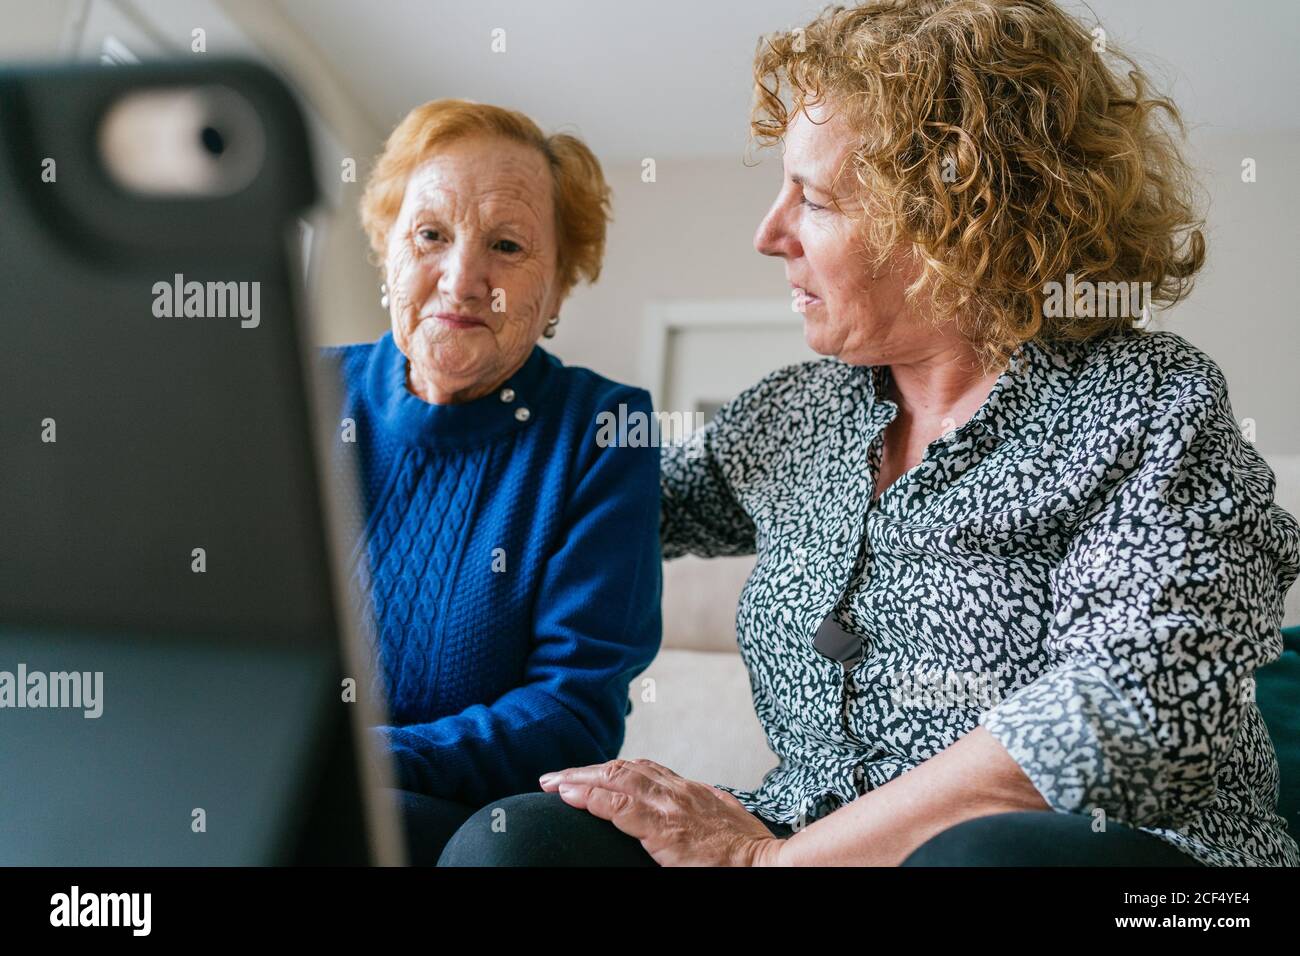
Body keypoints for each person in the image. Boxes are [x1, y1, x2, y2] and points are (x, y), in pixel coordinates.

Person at [438, 0, 1299, 866]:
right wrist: (473, 357)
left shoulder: (1150, 403)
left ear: (953, 221)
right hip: (799, 833)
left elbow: (1122, 716)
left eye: (812, 198)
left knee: (981, 862)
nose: (768, 234)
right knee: (519, 847)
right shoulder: (795, 416)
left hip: (1136, 871)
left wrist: (768, 864)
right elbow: (599, 497)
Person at [318, 99, 662, 865]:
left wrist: (359, 757)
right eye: (431, 235)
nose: (464, 278)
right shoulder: (301, 391)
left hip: (455, 814)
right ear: (387, 252)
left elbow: (572, 711)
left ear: (559, 291)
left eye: (506, 246)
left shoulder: (604, 430)